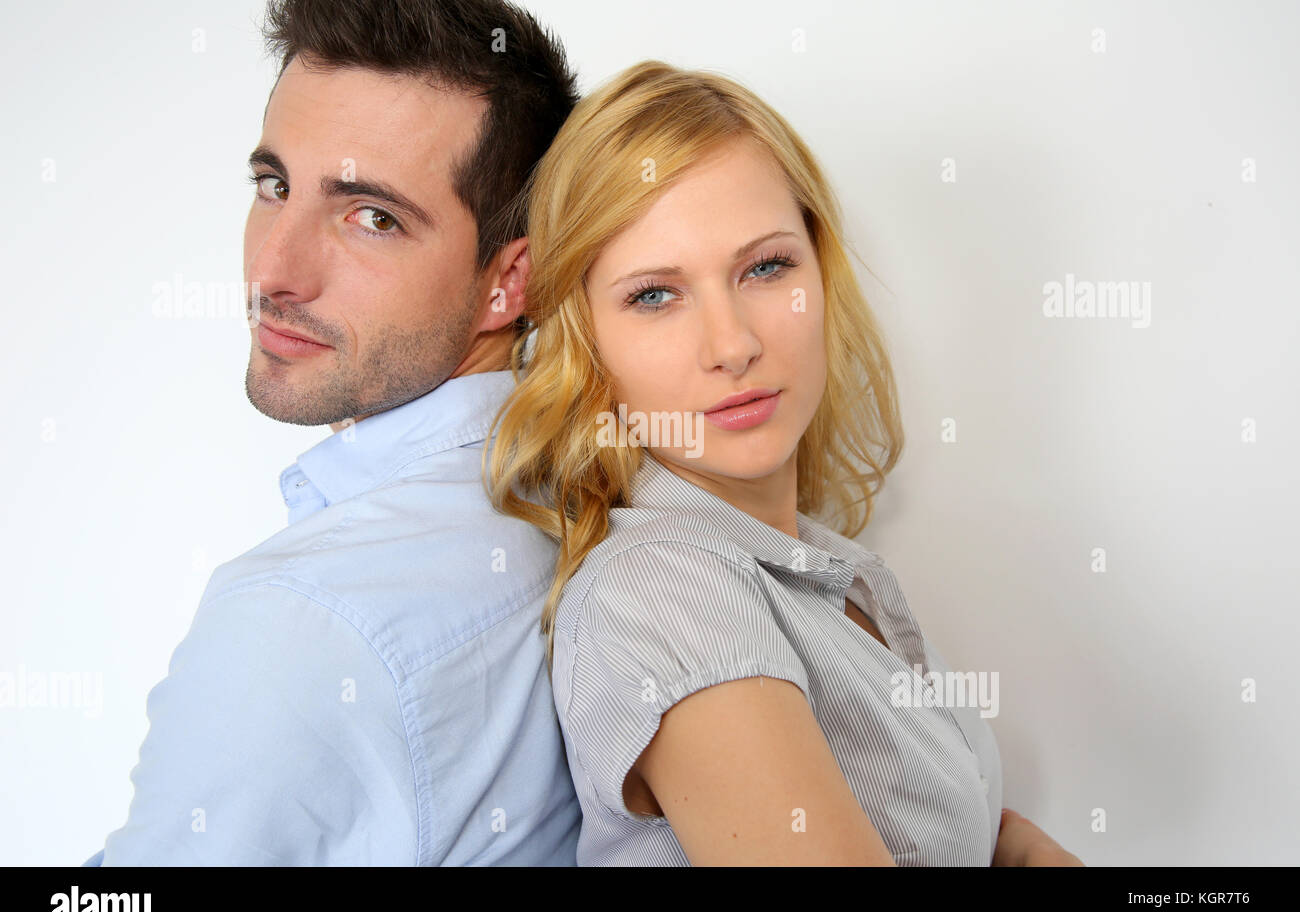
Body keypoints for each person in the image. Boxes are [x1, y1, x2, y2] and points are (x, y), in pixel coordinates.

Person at [484, 60, 1084, 866]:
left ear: (819, 269)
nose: (734, 344)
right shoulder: (664, 592)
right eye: (655, 295)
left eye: (765, 267)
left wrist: (1014, 843)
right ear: (585, 344)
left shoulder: (813, 562)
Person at [83, 0, 582, 866]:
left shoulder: (297, 622)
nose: (275, 271)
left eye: (371, 216)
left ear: (509, 282)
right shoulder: (599, 493)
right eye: (274, 187)